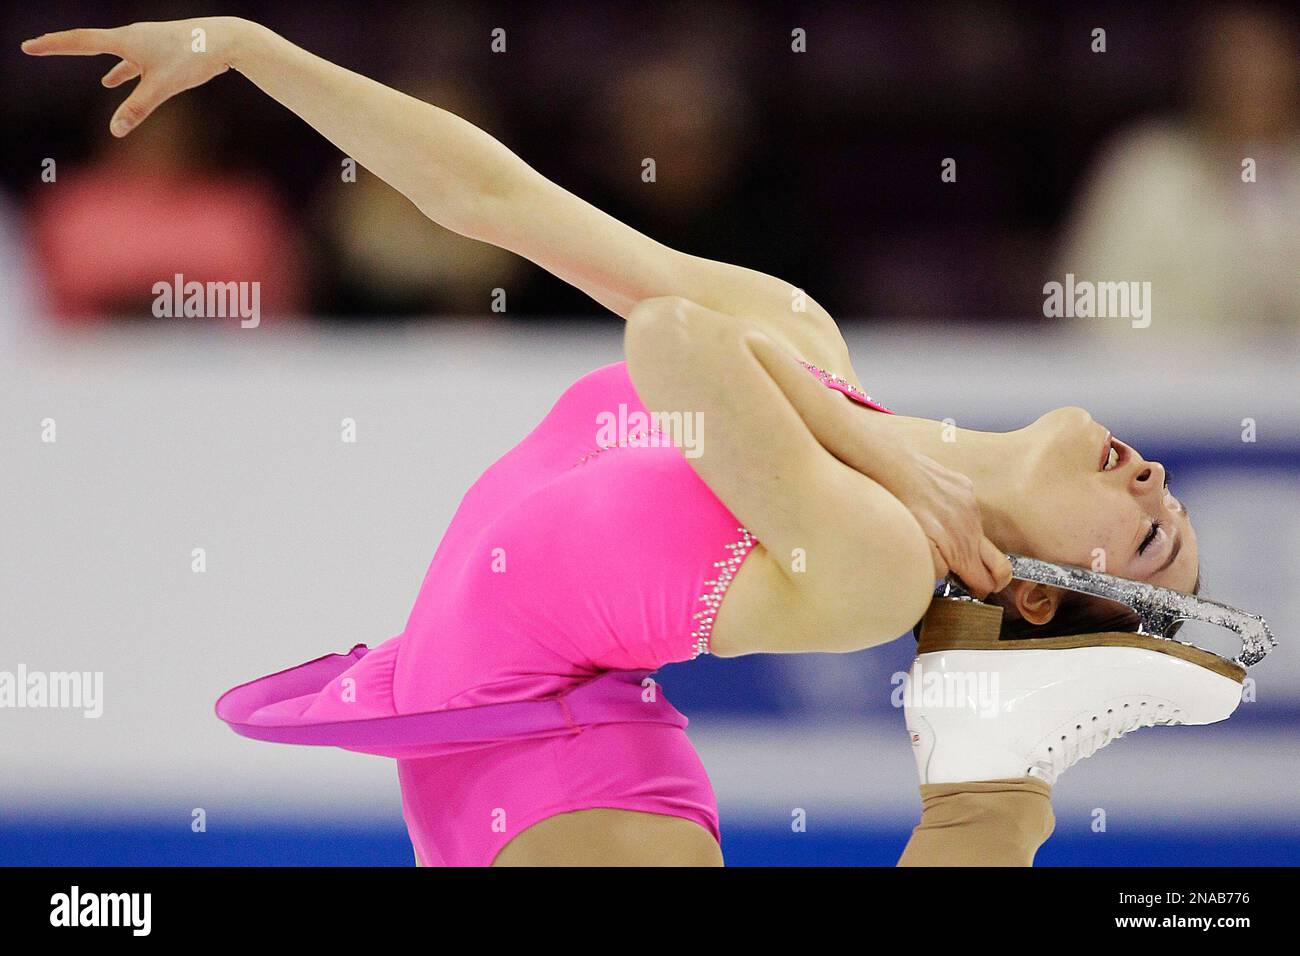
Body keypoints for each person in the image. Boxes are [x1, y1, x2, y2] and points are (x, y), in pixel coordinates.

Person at [24, 17, 1236, 867]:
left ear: (1027, 597)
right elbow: (496, 201)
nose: (1157, 480)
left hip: (564, 763)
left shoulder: (874, 554)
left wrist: (897, 470)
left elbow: (671, 340)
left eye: (1149, 535)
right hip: (488, 710)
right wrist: (254, 48)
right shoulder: (805, 338)